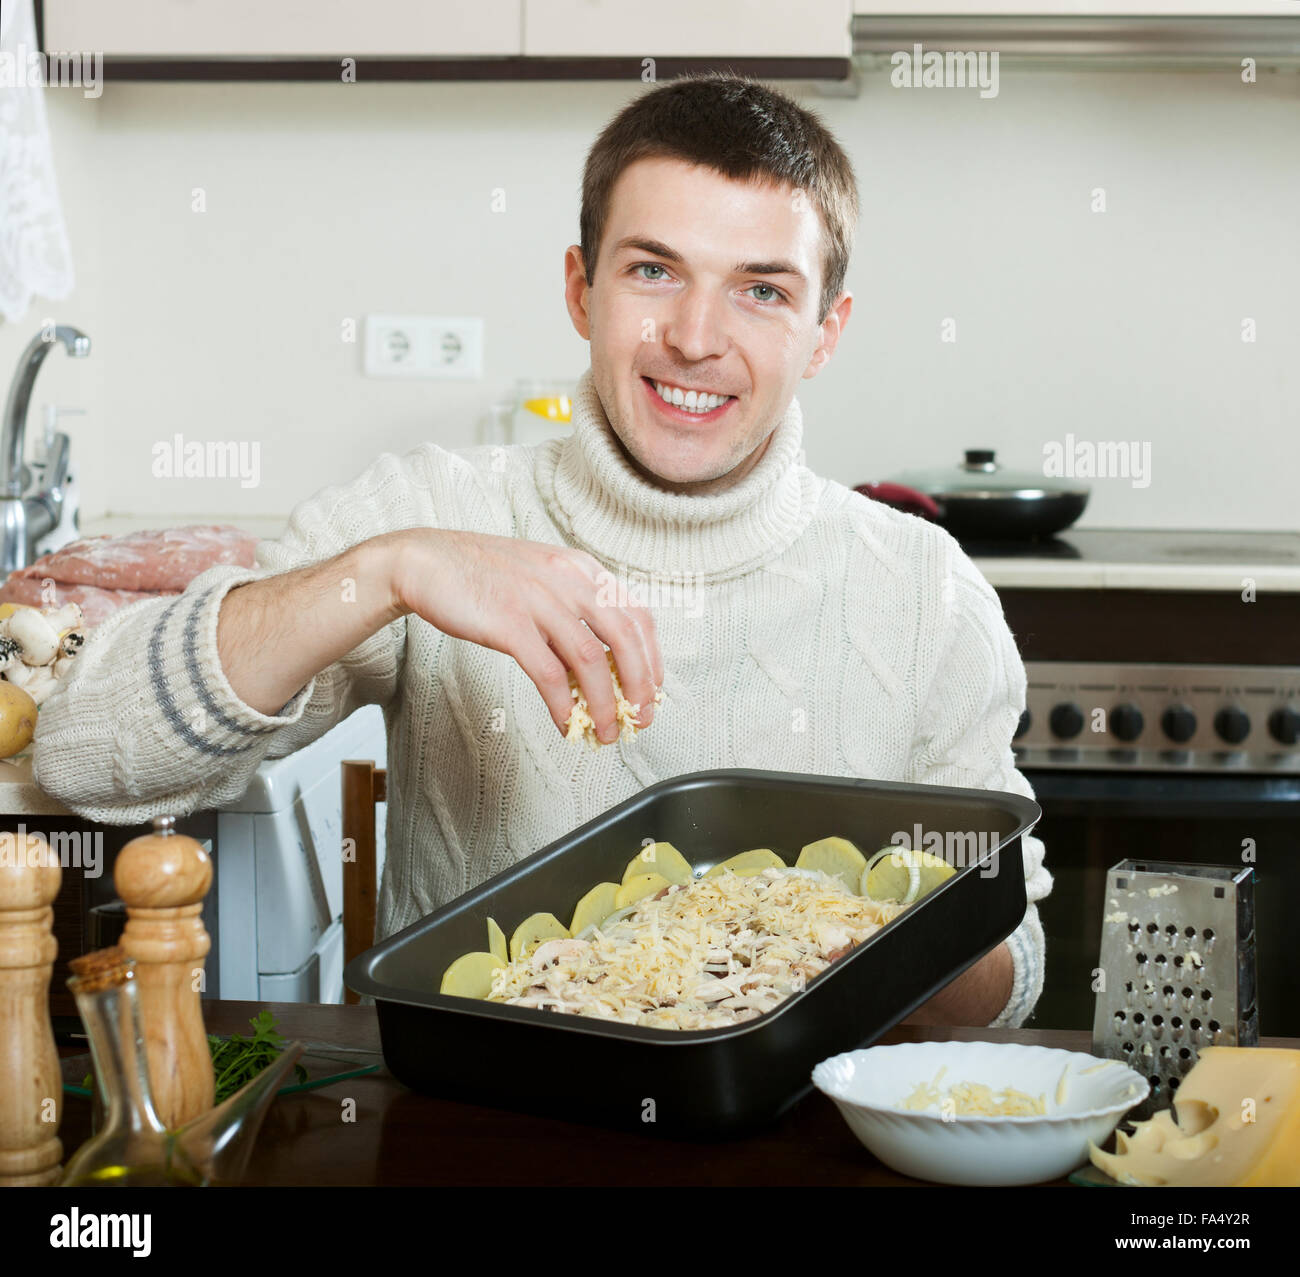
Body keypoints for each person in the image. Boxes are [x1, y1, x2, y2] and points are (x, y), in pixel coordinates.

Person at [33, 73, 1051, 1027]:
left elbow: (1009, 978)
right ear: (581, 289)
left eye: (762, 290)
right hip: (485, 1123)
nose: (695, 336)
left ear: (824, 332)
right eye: (654, 271)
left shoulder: (926, 594)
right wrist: (389, 569)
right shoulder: (432, 507)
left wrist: (871, 934)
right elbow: (87, 756)